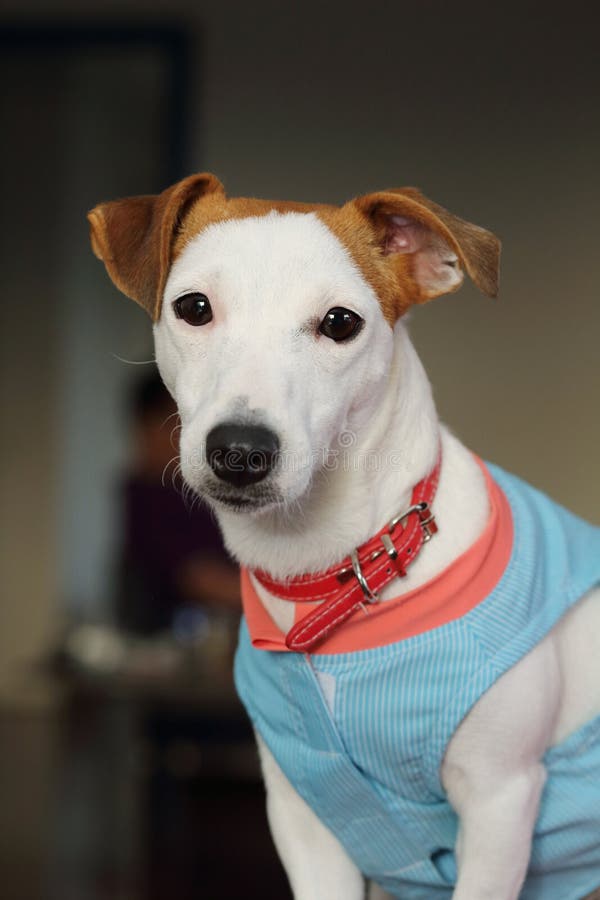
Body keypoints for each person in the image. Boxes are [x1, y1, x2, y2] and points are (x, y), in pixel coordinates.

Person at [115, 370, 240, 636]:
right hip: (171, 639)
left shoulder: (195, 490)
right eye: (177, 422)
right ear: (147, 428)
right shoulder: (150, 496)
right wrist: (277, 600)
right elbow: (202, 580)